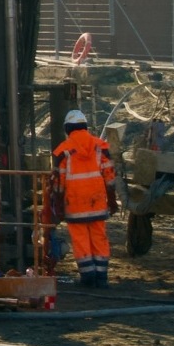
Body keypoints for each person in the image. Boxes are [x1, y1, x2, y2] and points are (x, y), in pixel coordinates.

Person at [52, 108, 119, 287]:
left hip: (74, 204)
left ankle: (88, 277)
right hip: (97, 202)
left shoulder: (62, 151)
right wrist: (112, 201)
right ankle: (102, 277)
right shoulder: (101, 146)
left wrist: (57, 206)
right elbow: (110, 176)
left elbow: (59, 183)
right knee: (99, 237)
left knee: (80, 239)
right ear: (85, 126)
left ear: (67, 128)